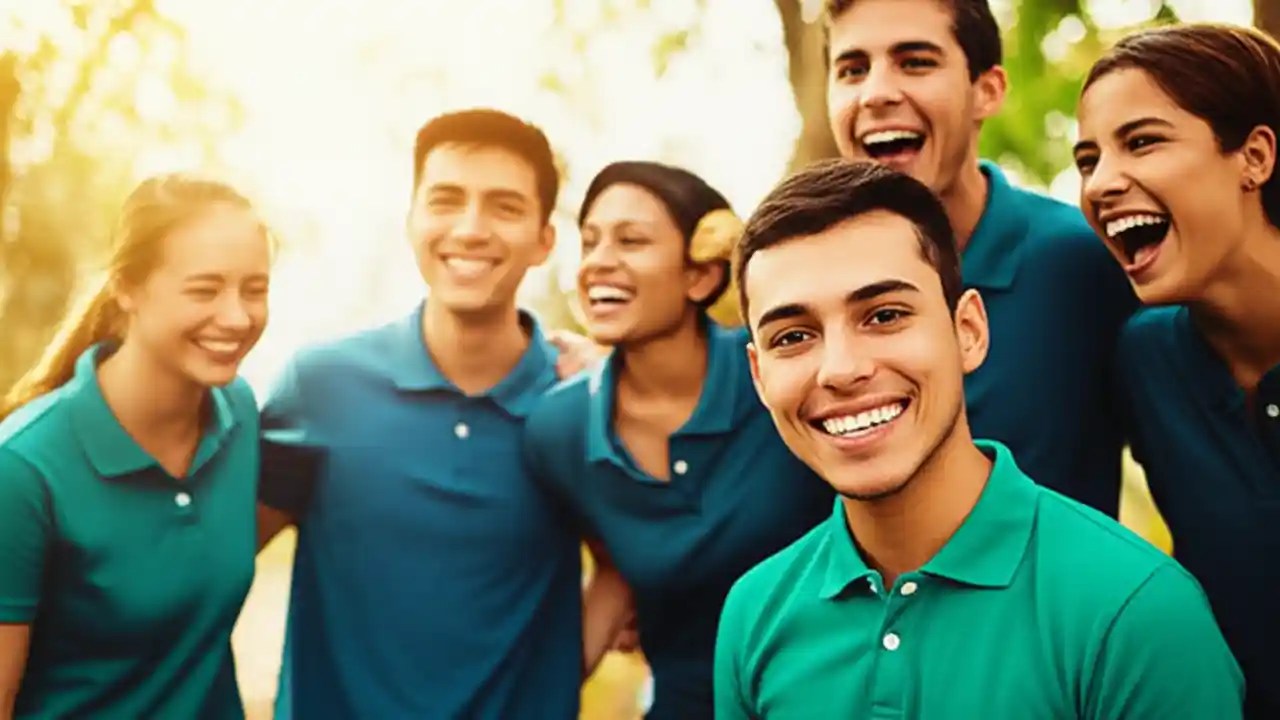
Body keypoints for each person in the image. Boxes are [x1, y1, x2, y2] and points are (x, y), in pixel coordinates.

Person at [713, 158, 1243, 719]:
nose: (840, 370)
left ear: (968, 331)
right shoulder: (754, 614)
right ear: (758, 375)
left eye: (885, 315)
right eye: (793, 336)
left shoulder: (1136, 612)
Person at [254, 108, 594, 719]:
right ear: (411, 220)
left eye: (505, 207)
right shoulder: (322, 385)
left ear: (545, 240)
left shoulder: (578, 402)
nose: (470, 228)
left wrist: (554, 678)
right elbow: (209, 563)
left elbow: (635, 559)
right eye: (445, 199)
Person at [523, 161, 833, 719]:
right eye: (589, 241)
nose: (598, 262)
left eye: (631, 240)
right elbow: (613, 566)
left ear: (701, 277)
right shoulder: (558, 430)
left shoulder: (783, 382)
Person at [824, 0, 1135, 515]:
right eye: (853, 69)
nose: (876, 92)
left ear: (986, 91)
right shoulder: (803, 281)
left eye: (915, 62)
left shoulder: (1084, 260)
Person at [0, 174, 270, 719]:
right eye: (204, 289)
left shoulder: (238, 413)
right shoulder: (23, 470)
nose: (237, 316)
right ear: (127, 286)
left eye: (255, 289)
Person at [1073, 22, 1280, 719]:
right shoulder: (1146, 359)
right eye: (1086, 158)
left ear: (1253, 156)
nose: (1100, 183)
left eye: (1142, 141)